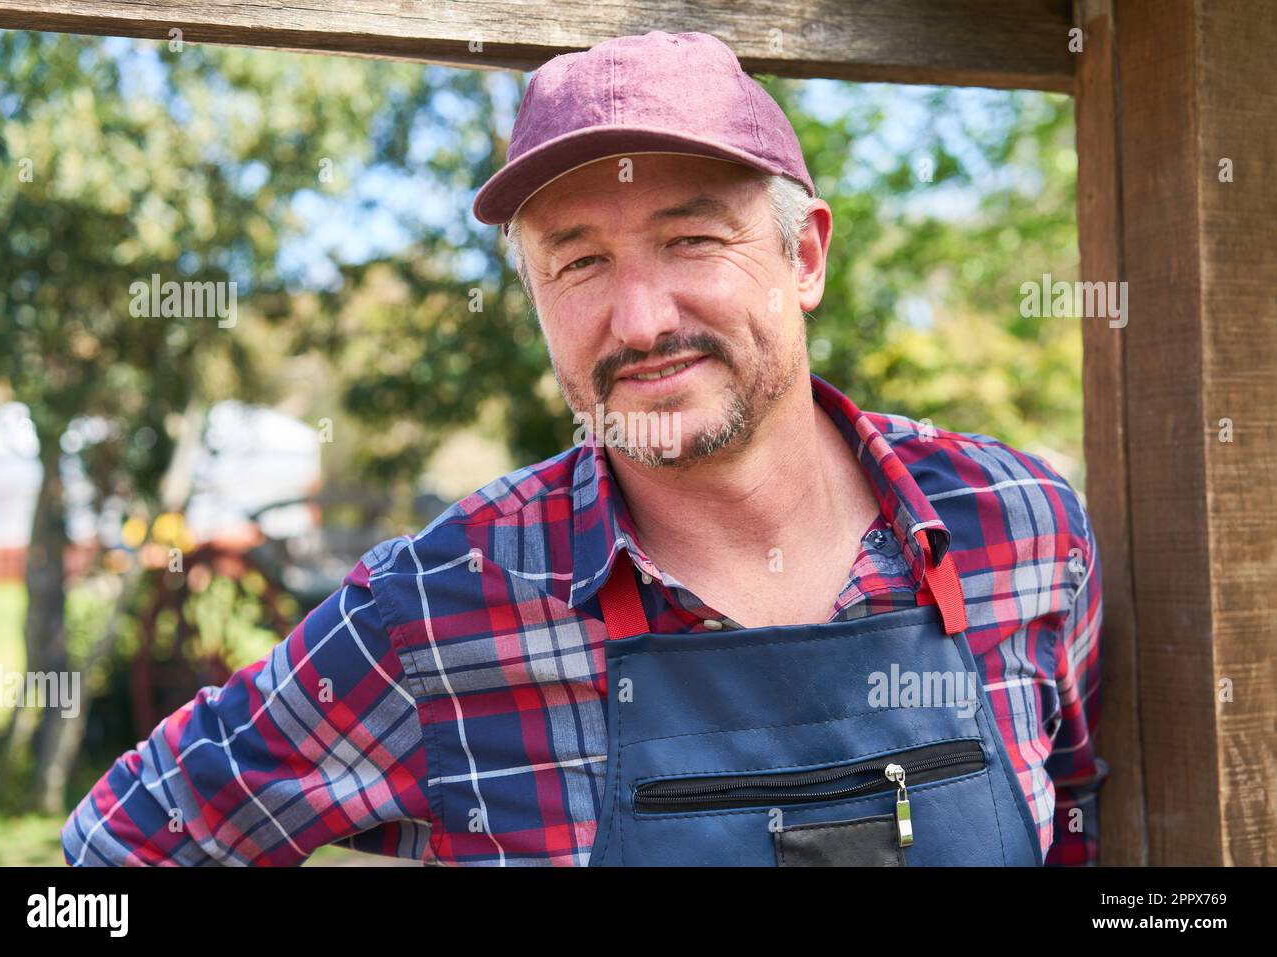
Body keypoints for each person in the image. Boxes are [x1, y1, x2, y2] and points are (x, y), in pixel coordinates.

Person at [62, 29, 1107, 867]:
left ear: (804, 255)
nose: (642, 319)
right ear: (534, 299)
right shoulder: (441, 605)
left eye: (690, 240)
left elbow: (1078, 821)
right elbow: (122, 848)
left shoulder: (1015, 527)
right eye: (580, 263)